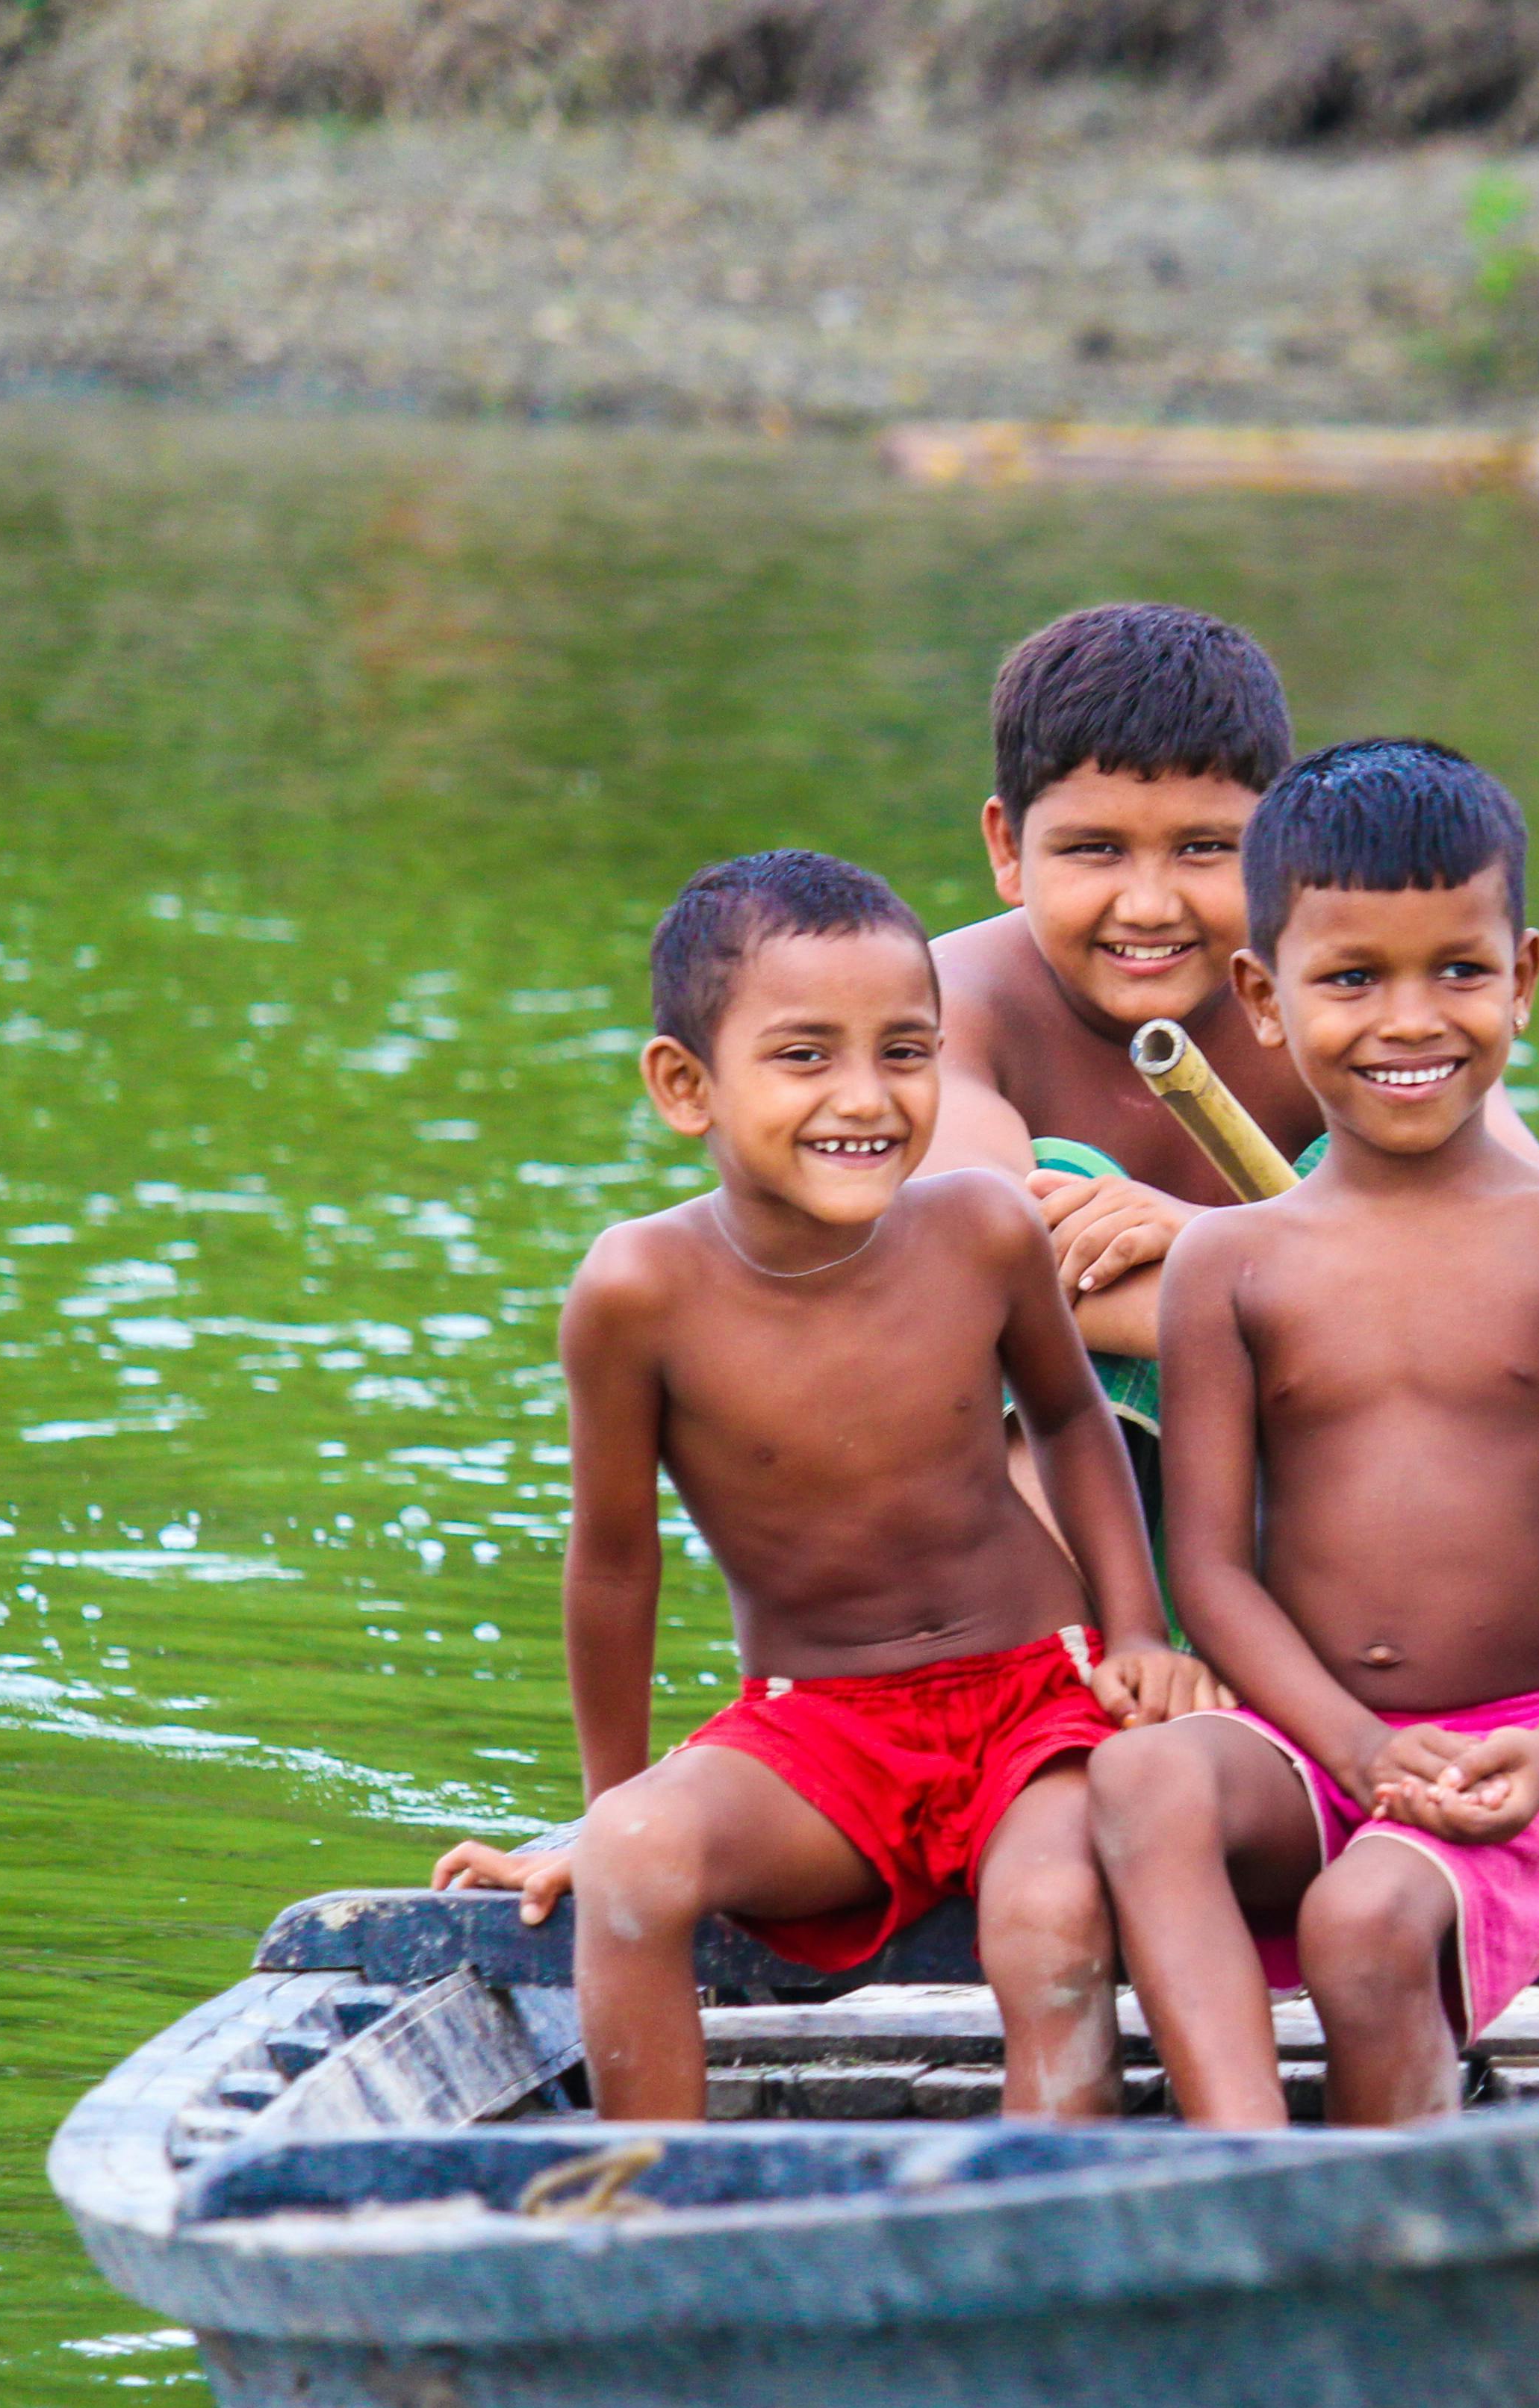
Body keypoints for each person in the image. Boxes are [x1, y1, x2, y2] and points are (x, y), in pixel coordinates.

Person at [431, 852, 1226, 2121]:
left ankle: (1037, 2220)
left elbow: (1075, 1419)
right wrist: (607, 1804)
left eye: (904, 1052)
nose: (864, 1098)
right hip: (821, 1732)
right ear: (684, 1086)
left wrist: (1134, 1633)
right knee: (637, 1861)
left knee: (1046, 1918)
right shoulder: (638, 1292)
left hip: (1036, 1701)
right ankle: (648, 2215)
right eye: (805, 1056)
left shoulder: (980, 1230)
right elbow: (613, 1561)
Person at [1088, 741, 1539, 2128]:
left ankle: (1390, 2217)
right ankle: (1241, 2166)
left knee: (1365, 1924)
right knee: (1138, 1782)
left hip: (1518, 1745)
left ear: (1524, 979)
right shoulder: (1230, 1265)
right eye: (1352, 978)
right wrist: (1356, 1746)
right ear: (1260, 996)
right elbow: (1214, 1572)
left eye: (1458, 971)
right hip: (1309, 1740)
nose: (1407, 1021)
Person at [918, 604, 1539, 1526]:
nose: (1148, 904)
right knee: (1053, 1254)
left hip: (1311, 1522)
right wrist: (1301, 1272)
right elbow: (985, 1264)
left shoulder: (1340, 1009)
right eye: (1095, 850)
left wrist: (1216, 1245)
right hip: (1021, 1548)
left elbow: (1536, 1254)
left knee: (1381, 1170)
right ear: (1009, 849)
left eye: (1206, 849)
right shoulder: (940, 1005)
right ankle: (1080, 1664)